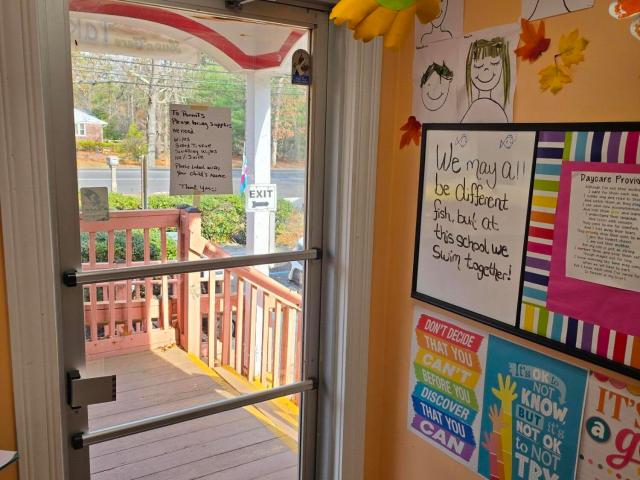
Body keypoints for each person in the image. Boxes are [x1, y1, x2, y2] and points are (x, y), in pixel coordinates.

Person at [461, 37, 510, 123]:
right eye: (478, 66)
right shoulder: (474, 108)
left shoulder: (497, 111)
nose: (486, 70)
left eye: (494, 63)